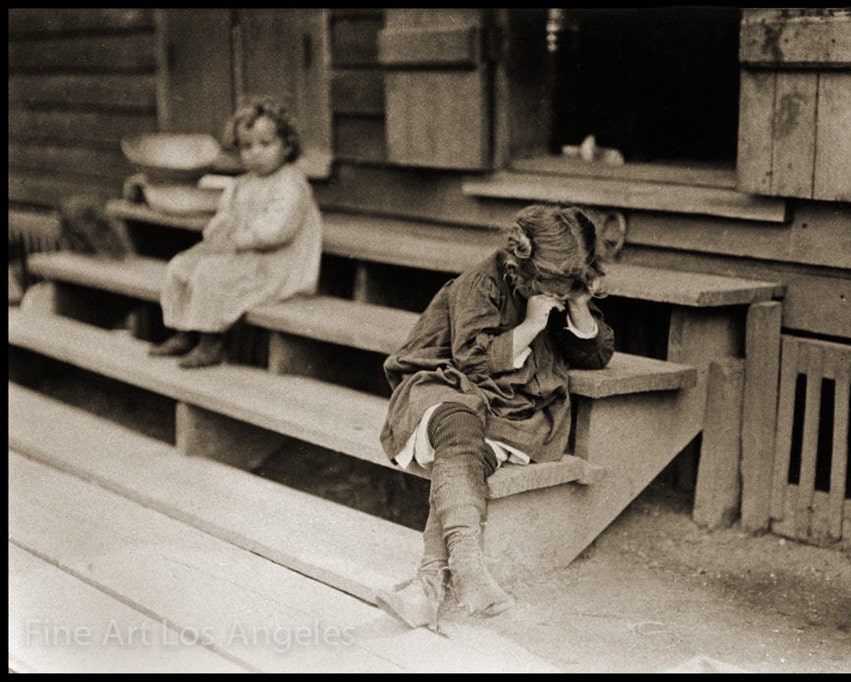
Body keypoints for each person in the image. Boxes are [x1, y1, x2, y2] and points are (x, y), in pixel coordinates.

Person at [375, 203, 616, 629]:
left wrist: (578, 306)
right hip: (444, 382)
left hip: (509, 405)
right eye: (553, 284)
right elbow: (471, 359)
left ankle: (429, 585)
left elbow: (595, 355)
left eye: (569, 284)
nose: (559, 293)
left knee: (464, 456)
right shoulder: (480, 283)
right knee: (459, 426)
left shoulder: (557, 290)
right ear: (520, 264)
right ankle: (468, 567)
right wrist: (529, 325)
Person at [148, 97, 323, 368]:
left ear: (287, 146)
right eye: (246, 146)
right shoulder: (240, 184)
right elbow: (225, 217)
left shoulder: (291, 184)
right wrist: (218, 234)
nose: (255, 153)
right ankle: (184, 331)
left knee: (212, 274)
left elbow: (278, 229)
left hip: (274, 262)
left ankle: (211, 342)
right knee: (181, 266)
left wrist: (239, 240)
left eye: (265, 144)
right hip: (242, 254)